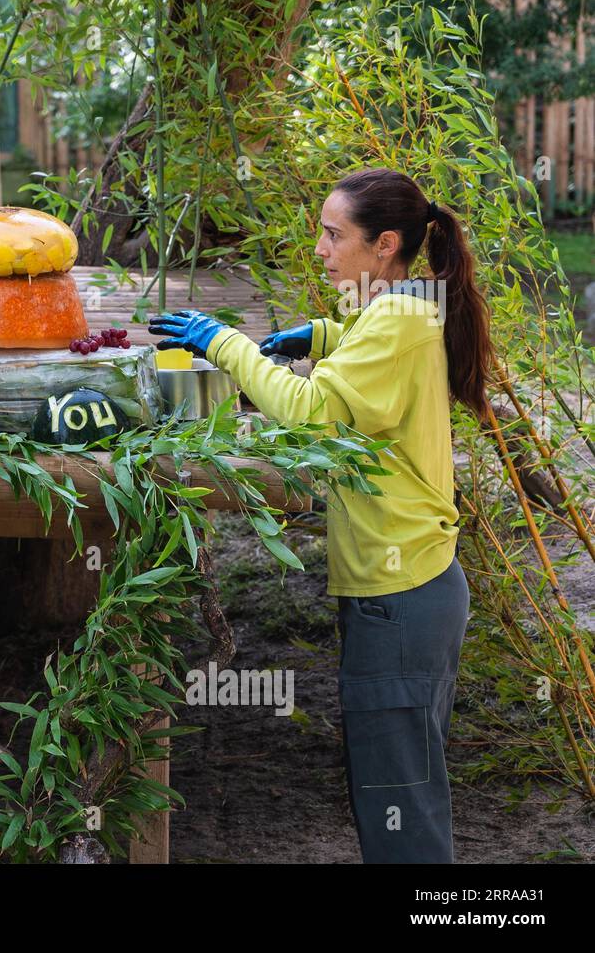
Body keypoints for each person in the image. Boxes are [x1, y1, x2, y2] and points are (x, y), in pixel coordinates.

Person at [149, 167, 493, 863]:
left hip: (401, 598)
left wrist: (225, 344)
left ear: (385, 244)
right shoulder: (408, 305)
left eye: (335, 235)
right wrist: (322, 337)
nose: (320, 248)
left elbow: (313, 413)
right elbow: (373, 356)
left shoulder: (400, 317)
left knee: (399, 800)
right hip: (410, 587)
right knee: (396, 786)